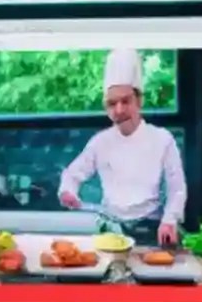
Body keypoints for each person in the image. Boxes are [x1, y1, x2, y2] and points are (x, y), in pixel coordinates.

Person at [57, 48, 187, 246]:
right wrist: (68, 191)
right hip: (110, 228)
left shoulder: (162, 139)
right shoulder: (100, 142)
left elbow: (177, 188)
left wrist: (170, 219)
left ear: (139, 101)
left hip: (152, 226)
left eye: (125, 101)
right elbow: (73, 174)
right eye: (112, 103)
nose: (119, 110)